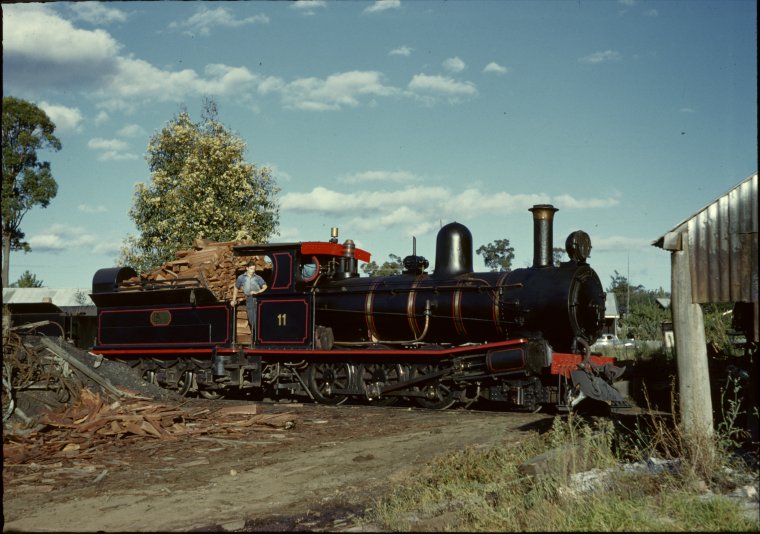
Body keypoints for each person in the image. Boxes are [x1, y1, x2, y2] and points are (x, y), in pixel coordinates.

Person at [232, 260, 267, 345]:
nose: (253, 270)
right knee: (252, 320)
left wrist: (258, 292)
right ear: (247, 268)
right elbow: (236, 288)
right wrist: (233, 299)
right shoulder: (241, 278)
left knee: (260, 319)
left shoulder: (258, 277)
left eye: (254, 269)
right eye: (251, 269)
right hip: (249, 299)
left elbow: (265, 286)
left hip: (258, 300)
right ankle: (256, 339)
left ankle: (259, 340)